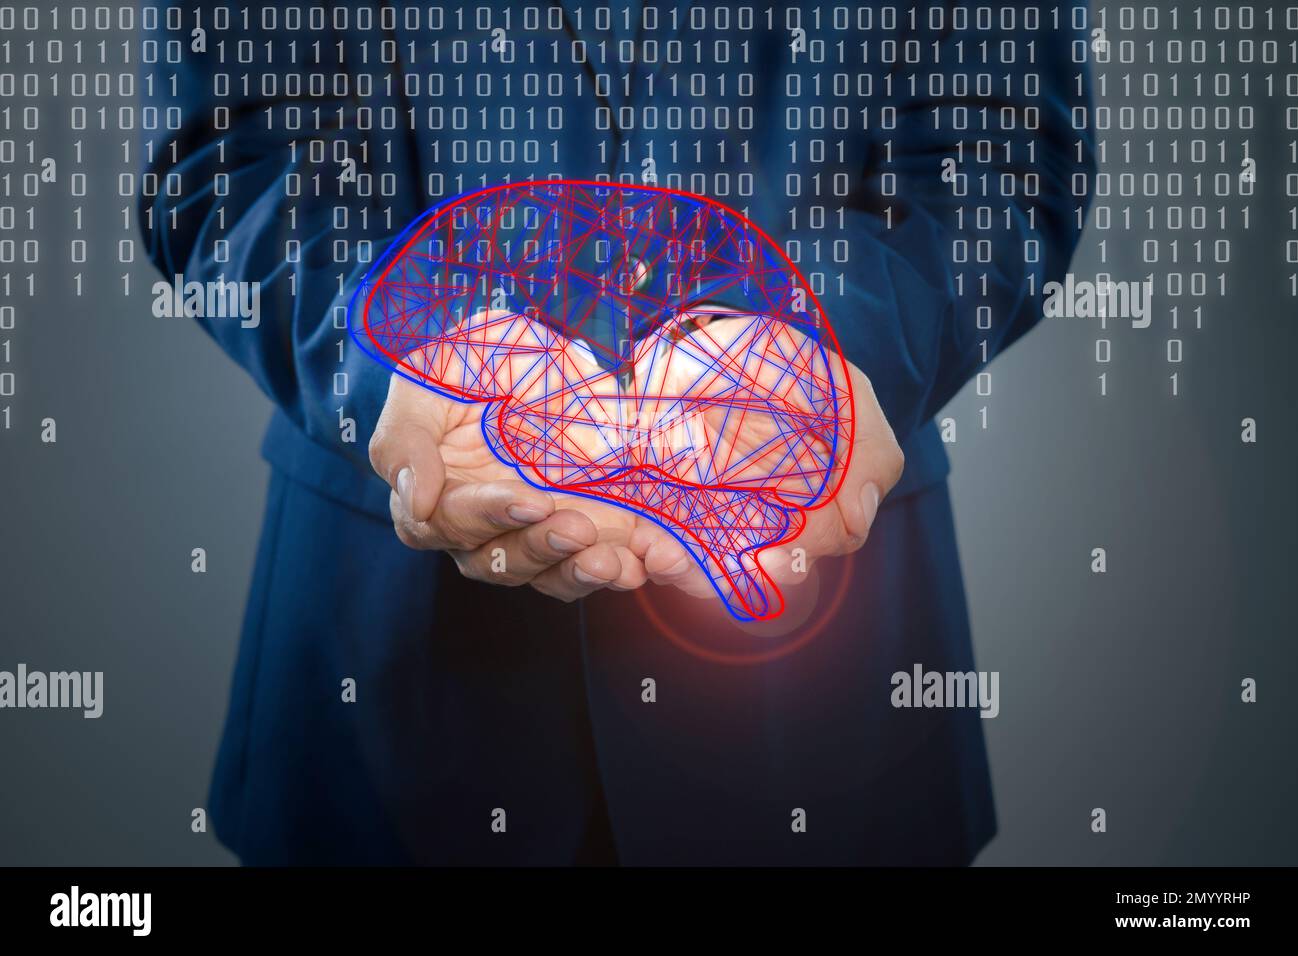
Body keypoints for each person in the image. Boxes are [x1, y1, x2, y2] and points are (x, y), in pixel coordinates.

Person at [140, 1, 1094, 864]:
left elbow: (999, 152)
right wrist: (412, 359)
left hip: (819, 714)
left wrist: (817, 362)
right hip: (387, 682)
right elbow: (229, 162)